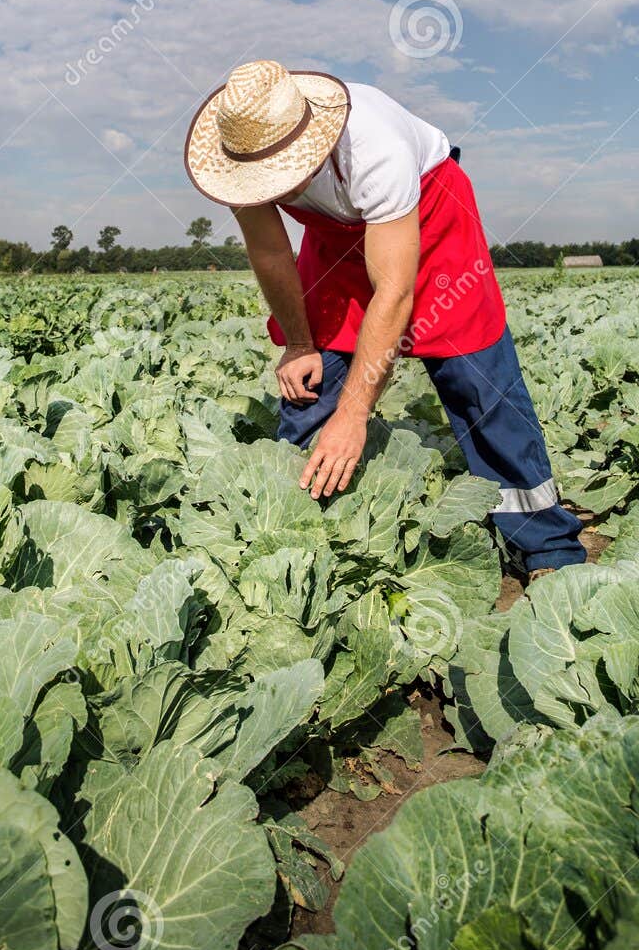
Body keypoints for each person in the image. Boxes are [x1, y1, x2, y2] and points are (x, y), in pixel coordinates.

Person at [184, 60, 585, 577]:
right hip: (334, 240)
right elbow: (271, 254)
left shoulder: (378, 148)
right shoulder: (236, 158)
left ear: (312, 144)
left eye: (279, 173)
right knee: (312, 381)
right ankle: (306, 536)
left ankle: (545, 542)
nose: (271, 187)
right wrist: (300, 342)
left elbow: (394, 293)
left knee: (476, 378)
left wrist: (354, 417)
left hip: (432, 217)